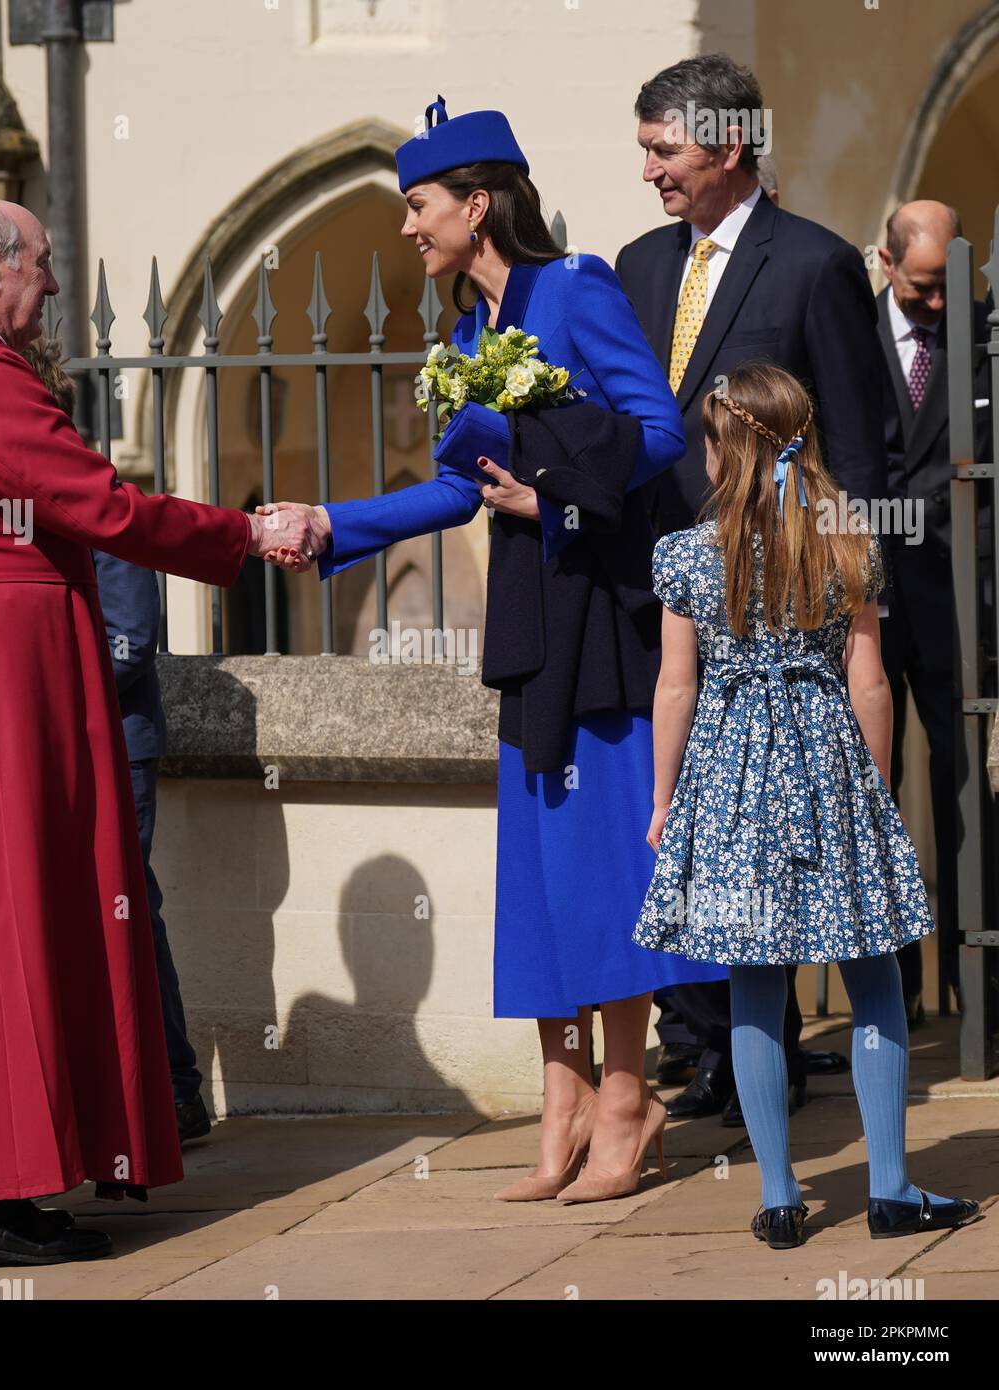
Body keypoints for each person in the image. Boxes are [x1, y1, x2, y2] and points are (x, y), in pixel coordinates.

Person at [260, 94, 727, 1204]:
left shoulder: (578, 288)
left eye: (419, 208)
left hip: (601, 615)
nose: (409, 230)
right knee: (544, 880)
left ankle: (629, 1096)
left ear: (478, 204)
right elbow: (447, 491)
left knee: (608, 872)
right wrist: (333, 524)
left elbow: (660, 430)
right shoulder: (467, 337)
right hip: (529, 620)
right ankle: (561, 1101)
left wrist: (548, 485)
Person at [0, 196, 314, 1266]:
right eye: (42, 263)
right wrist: (246, 530)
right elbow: (99, 505)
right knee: (7, 911)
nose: (53, 285)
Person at [631, 359, 981, 1249]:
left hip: (732, 769)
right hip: (827, 764)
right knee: (872, 981)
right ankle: (893, 1190)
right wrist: (871, 789)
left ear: (725, 452)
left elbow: (677, 688)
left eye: (710, 441)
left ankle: (782, 1198)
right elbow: (869, 685)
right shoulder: (848, 543)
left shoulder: (684, 555)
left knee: (754, 982)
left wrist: (665, 800)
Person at [616, 52, 888, 1121]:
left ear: (729, 146)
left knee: (779, 834)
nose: (650, 172)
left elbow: (858, 450)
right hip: (666, 593)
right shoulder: (638, 266)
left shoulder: (815, 263)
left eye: (665, 149)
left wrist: (851, 596)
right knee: (689, 828)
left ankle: (759, 1048)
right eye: (644, 150)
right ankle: (701, 1041)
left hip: (782, 612)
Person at [24, 337, 212, 1142]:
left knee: (131, 907)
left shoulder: (105, 500)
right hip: (61, 746)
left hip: (118, 746)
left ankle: (173, 1091)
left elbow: (131, 642)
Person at [876, 200, 991, 1026]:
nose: (941, 303)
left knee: (966, 796)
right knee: (874, 794)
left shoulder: (986, 329)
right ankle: (893, 999)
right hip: (868, 603)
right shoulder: (844, 330)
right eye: (923, 288)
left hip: (962, 601)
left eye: (951, 282)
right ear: (886, 266)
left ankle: (974, 987)